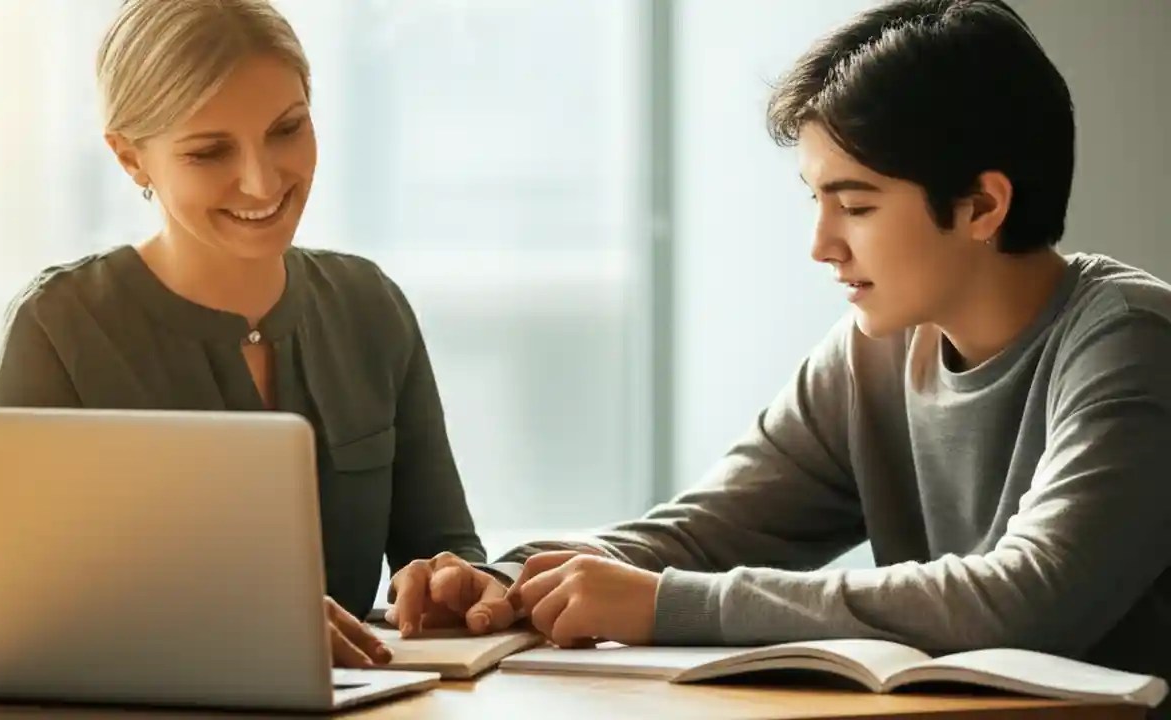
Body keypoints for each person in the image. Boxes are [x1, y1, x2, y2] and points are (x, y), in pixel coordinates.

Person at [387, 0, 1171, 694]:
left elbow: (1032, 599)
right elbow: (699, 535)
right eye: (815, 201)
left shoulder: (1129, 341)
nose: (821, 245)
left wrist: (671, 606)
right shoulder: (872, 356)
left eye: (855, 205)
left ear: (981, 204)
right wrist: (505, 580)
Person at [0, 0, 487, 669]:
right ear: (131, 159)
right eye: (209, 151)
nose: (262, 179)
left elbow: (445, 548)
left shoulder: (371, 307)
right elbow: (0, 613)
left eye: (288, 129)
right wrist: (223, 626)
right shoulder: (62, 327)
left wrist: (462, 587)